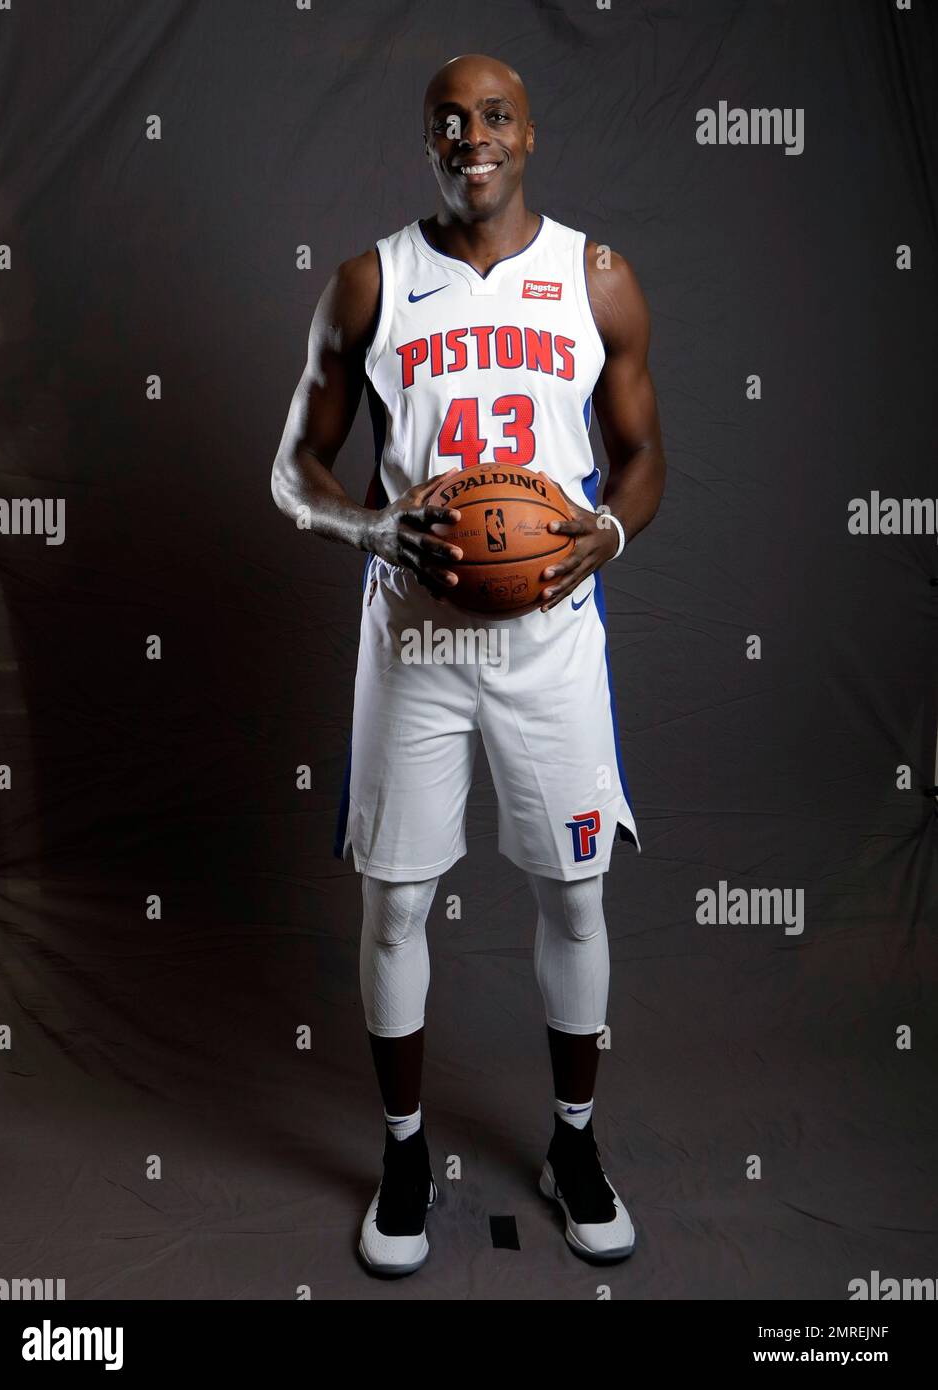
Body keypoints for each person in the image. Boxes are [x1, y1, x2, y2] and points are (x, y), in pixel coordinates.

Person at [271, 52, 665, 1276]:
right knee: (395, 901)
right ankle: (401, 1157)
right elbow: (293, 470)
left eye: (495, 116)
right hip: (416, 641)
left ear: (530, 135)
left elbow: (645, 457)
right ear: (427, 142)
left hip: (553, 641)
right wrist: (370, 525)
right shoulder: (367, 284)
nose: (472, 136)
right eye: (450, 120)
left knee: (577, 893)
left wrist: (602, 530)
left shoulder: (596, 279)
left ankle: (574, 1145)